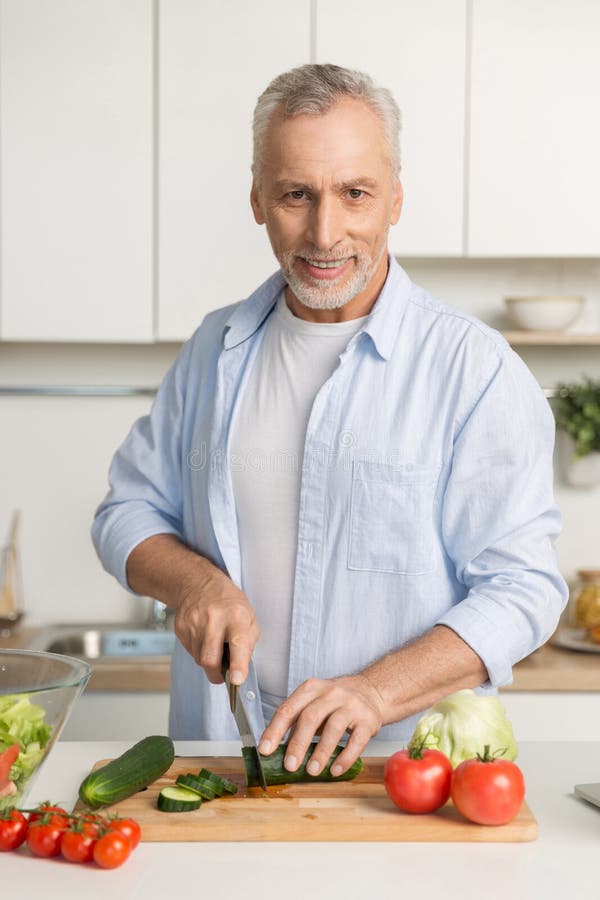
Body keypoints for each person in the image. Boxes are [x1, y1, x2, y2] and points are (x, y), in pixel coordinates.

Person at [92, 64, 567, 778]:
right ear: (257, 198)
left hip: (401, 780)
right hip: (219, 767)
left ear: (396, 197)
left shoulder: (474, 369)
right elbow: (125, 511)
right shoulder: (211, 352)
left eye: (355, 193)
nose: (324, 231)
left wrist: (375, 692)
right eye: (295, 195)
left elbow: (524, 590)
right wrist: (193, 582)